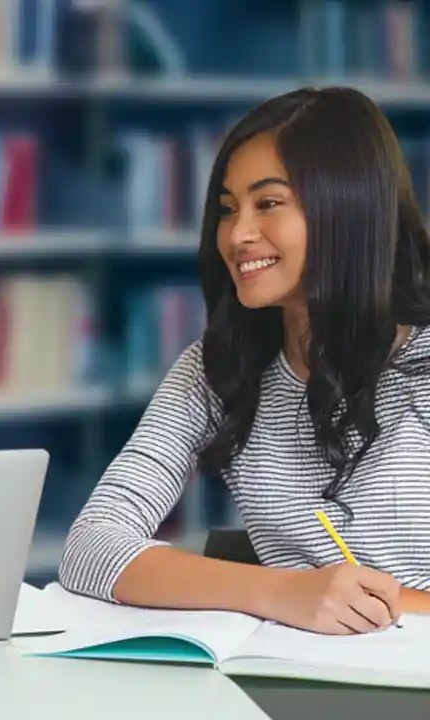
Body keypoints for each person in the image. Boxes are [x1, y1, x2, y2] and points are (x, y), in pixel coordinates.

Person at [59, 86, 430, 635]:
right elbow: (91, 547)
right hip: (291, 667)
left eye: (269, 203)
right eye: (228, 209)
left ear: (349, 208)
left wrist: (371, 602)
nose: (238, 235)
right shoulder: (217, 369)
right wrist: (280, 591)